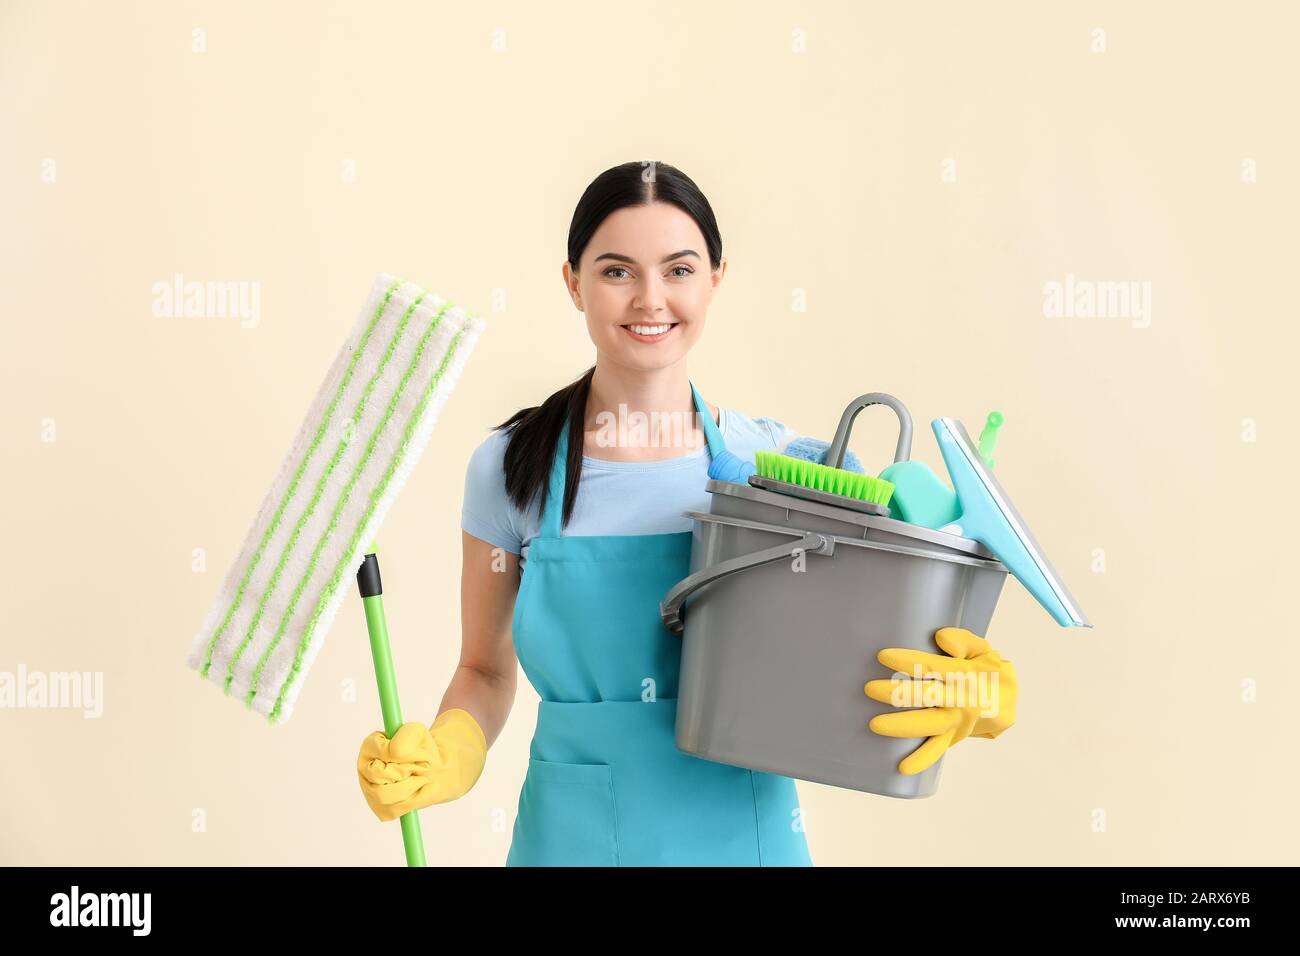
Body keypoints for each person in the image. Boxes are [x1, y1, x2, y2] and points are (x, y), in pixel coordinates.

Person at [354, 160, 1019, 866]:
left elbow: (877, 637)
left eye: (678, 270)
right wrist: (450, 755)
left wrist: (976, 689)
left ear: (715, 280)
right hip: (572, 841)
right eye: (616, 271)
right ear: (573, 282)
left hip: (746, 839)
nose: (649, 300)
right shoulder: (509, 469)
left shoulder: (781, 469)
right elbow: (485, 671)